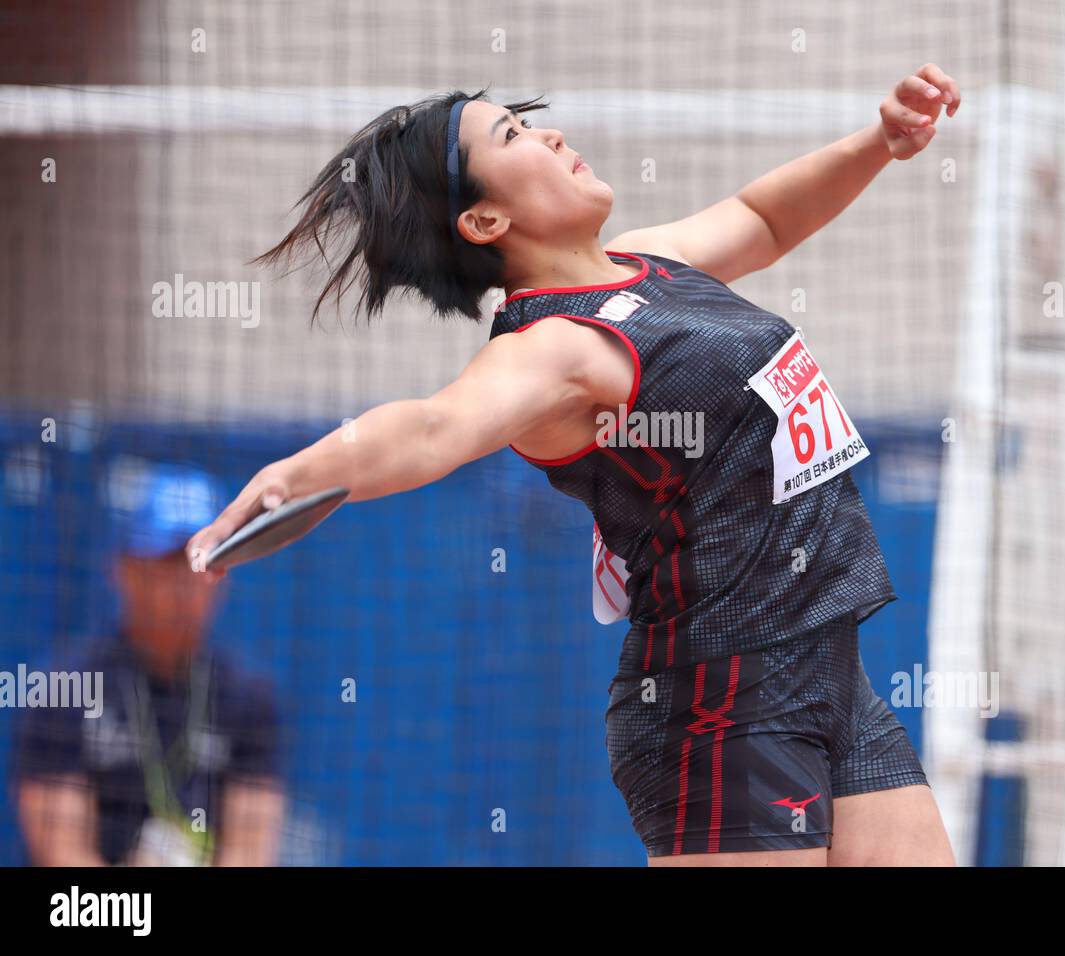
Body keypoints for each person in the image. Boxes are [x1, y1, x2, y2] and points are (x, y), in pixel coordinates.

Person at [189, 65, 962, 866]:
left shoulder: (649, 263)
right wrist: (288, 479)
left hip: (832, 676)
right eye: (513, 136)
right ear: (485, 218)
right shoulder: (551, 348)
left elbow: (761, 219)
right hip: (722, 701)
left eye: (530, 121)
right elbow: (430, 428)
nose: (550, 133)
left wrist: (880, 143)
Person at [14, 462, 284, 866]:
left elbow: (249, 852)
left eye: (202, 562)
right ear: (124, 570)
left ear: (223, 576)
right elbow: (60, 852)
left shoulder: (248, 698)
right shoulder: (64, 687)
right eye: (168, 562)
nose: (185, 583)